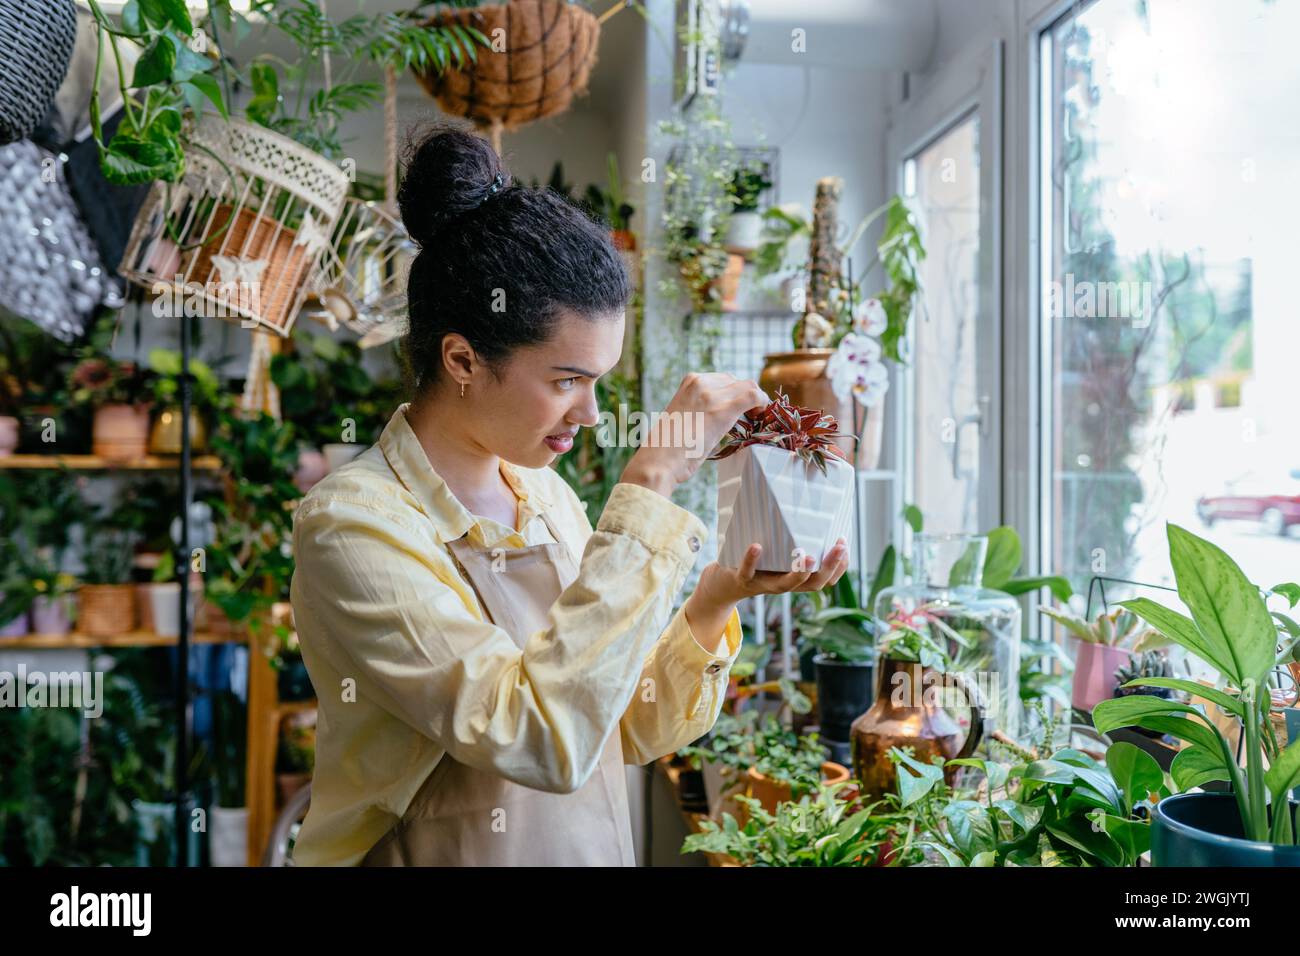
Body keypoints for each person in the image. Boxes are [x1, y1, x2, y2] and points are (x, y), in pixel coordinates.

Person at [288, 124, 850, 866]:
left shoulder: (543, 495)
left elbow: (621, 725)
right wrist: (652, 478)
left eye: (598, 382)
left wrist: (715, 599)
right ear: (462, 357)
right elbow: (532, 735)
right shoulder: (352, 528)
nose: (589, 414)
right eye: (566, 380)